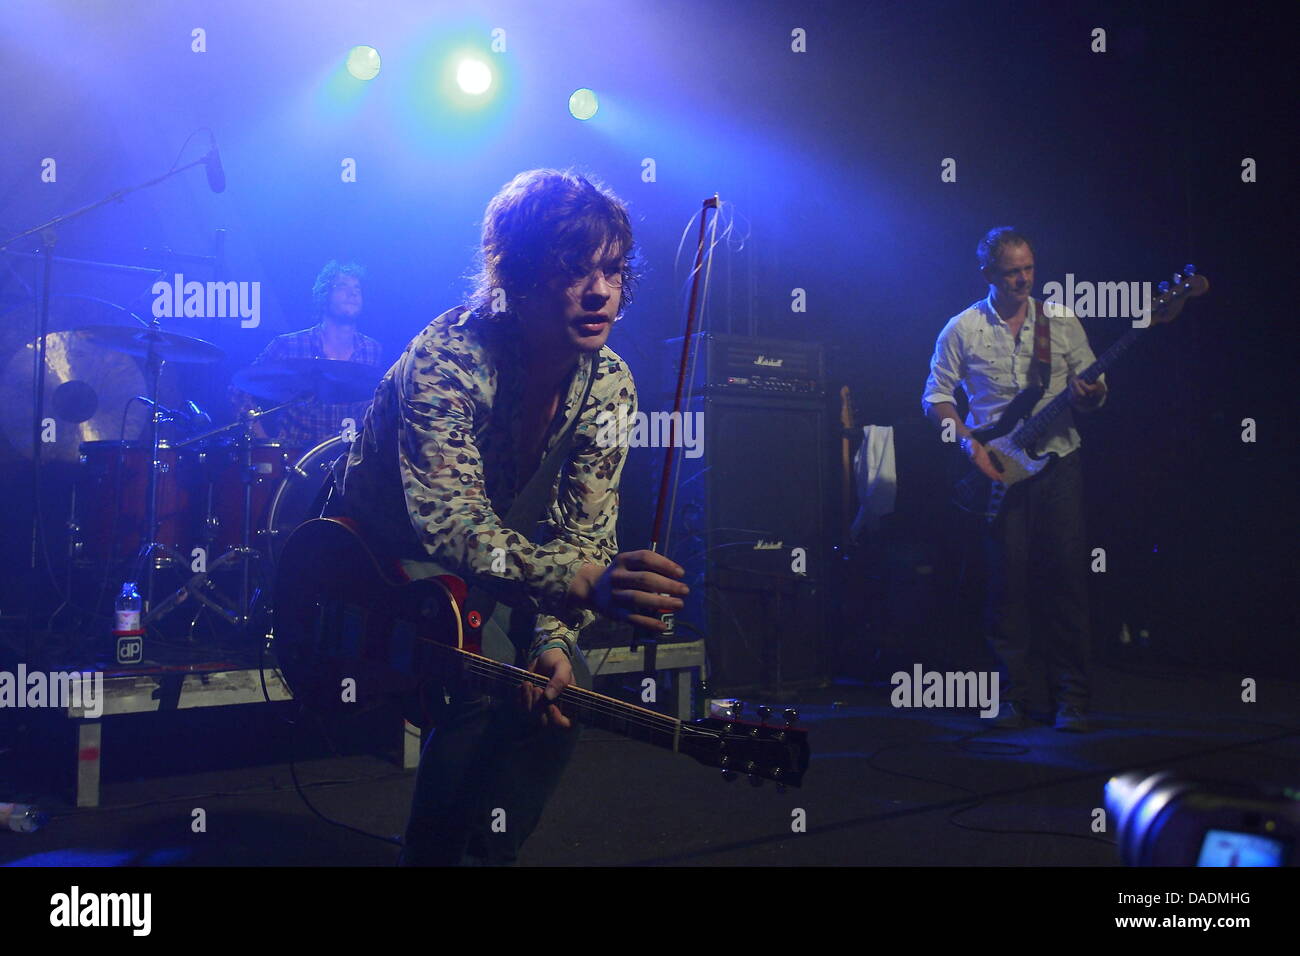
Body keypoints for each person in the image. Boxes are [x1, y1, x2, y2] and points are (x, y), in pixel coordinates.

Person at [334, 169, 687, 865]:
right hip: (370, 556)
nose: (600, 292)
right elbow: (449, 522)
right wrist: (586, 582)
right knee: (481, 672)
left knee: (561, 685)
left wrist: (554, 635)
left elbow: (583, 531)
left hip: (495, 565)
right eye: (573, 270)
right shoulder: (447, 356)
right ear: (516, 275)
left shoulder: (611, 383)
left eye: (613, 271)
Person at [921, 227, 1106, 732]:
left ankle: (1074, 698)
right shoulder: (961, 327)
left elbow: (1094, 388)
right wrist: (969, 445)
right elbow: (935, 396)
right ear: (988, 274)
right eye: (1011, 271)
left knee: (1066, 578)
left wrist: (1090, 396)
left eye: (1029, 268)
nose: (1023, 279)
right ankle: (1017, 698)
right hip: (998, 468)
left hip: (1059, 462)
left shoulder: (1061, 321)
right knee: (1007, 585)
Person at [229, 260, 383, 447]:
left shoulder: (371, 349)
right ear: (324, 295)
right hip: (297, 459)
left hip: (351, 458)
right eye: (343, 286)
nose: (353, 293)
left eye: (357, 288)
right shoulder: (289, 344)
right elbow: (239, 389)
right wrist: (263, 441)